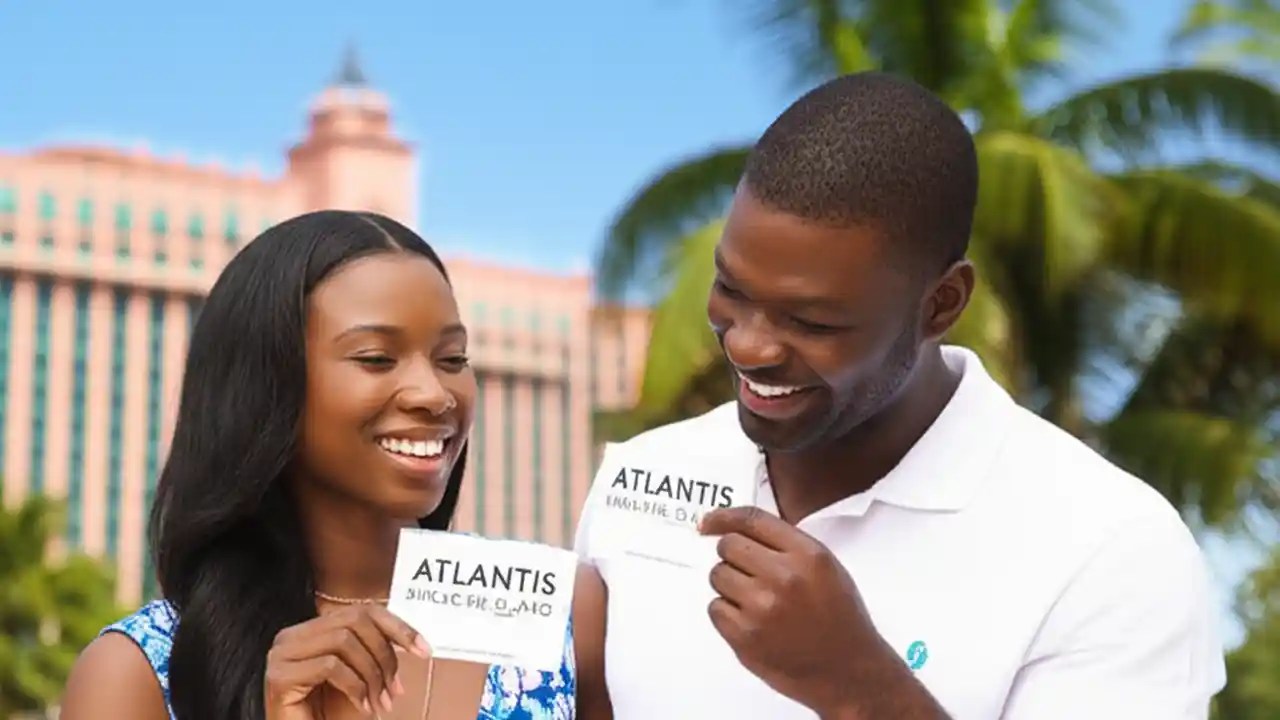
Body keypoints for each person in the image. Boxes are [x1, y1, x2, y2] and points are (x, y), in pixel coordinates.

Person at [573, 72, 1226, 719]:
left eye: (812, 322)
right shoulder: (646, 472)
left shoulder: (1113, 551)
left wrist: (860, 689)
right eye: (732, 291)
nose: (749, 347)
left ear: (941, 304)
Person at [60, 210, 607, 720]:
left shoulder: (565, 612)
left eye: (452, 359)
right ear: (265, 389)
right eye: (376, 358)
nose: (434, 394)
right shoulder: (136, 674)